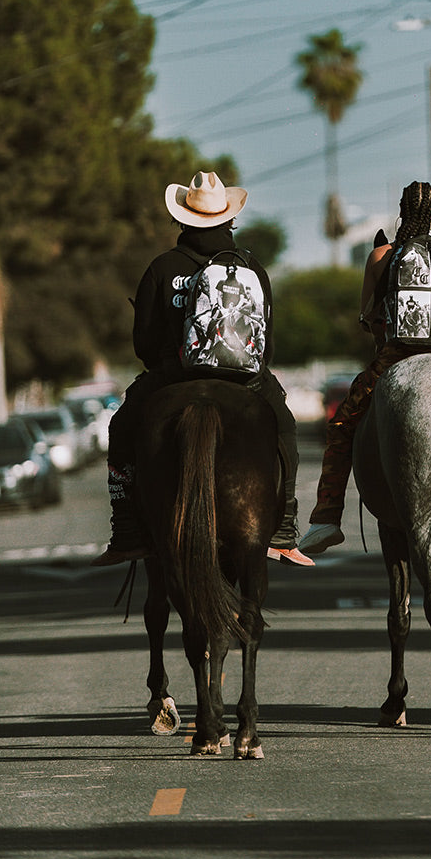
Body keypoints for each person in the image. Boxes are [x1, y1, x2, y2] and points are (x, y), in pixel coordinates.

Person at [90, 170, 312, 567]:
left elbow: (143, 345)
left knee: (121, 427)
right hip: (246, 377)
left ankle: (125, 531)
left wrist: (168, 363)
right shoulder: (251, 267)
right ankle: (284, 530)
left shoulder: (162, 268)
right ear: (229, 218)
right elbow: (267, 344)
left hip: (174, 374)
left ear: (183, 219)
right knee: (285, 427)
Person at [298, 181, 431, 555]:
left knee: (342, 425)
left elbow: (368, 316)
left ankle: (326, 517)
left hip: (394, 358)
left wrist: (379, 335)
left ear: (401, 211)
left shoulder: (382, 255)